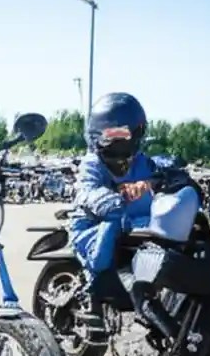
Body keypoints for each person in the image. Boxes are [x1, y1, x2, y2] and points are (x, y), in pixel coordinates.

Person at [68, 92, 160, 331]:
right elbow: (85, 189)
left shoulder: (142, 162)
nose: (122, 141)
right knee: (112, 219)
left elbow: (162, 170)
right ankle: (94, 292)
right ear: (99, 134)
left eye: (127, 134)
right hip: (92, 225)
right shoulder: (93, 162)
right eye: (115, 135)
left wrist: (160, 181)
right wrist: (113, 198)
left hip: (137, 223)